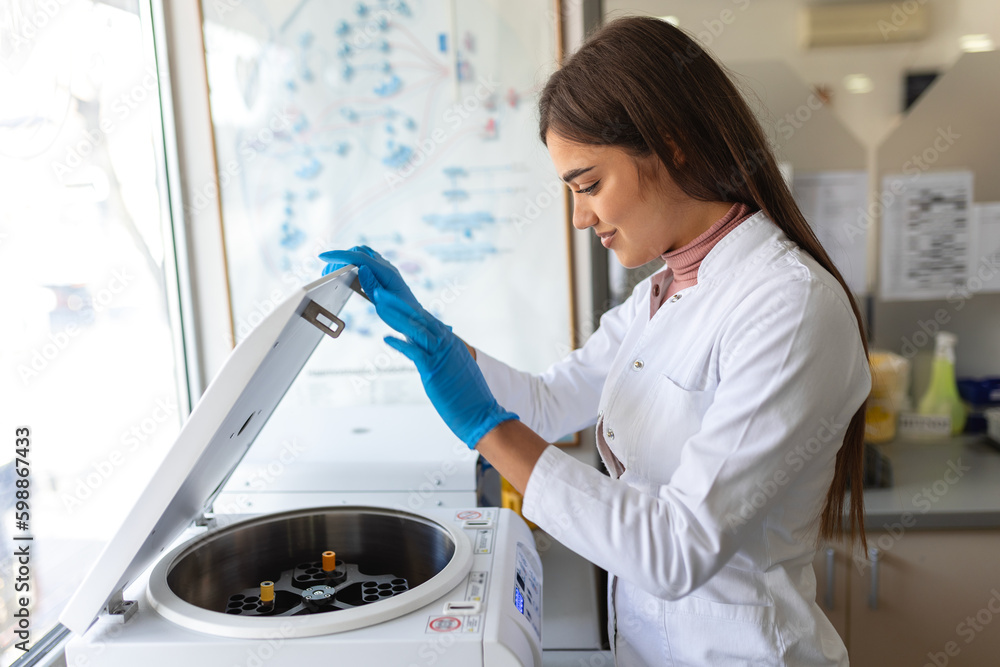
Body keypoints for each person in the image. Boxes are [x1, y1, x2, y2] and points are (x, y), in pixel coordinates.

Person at [321, 15, 870, 666]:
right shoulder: (659, 297)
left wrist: (486, 429)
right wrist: (440, 339)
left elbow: (676, 549)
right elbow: (551, 403)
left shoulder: (788, 307)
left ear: (670, 146)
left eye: (588, 185)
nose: (581, 217)